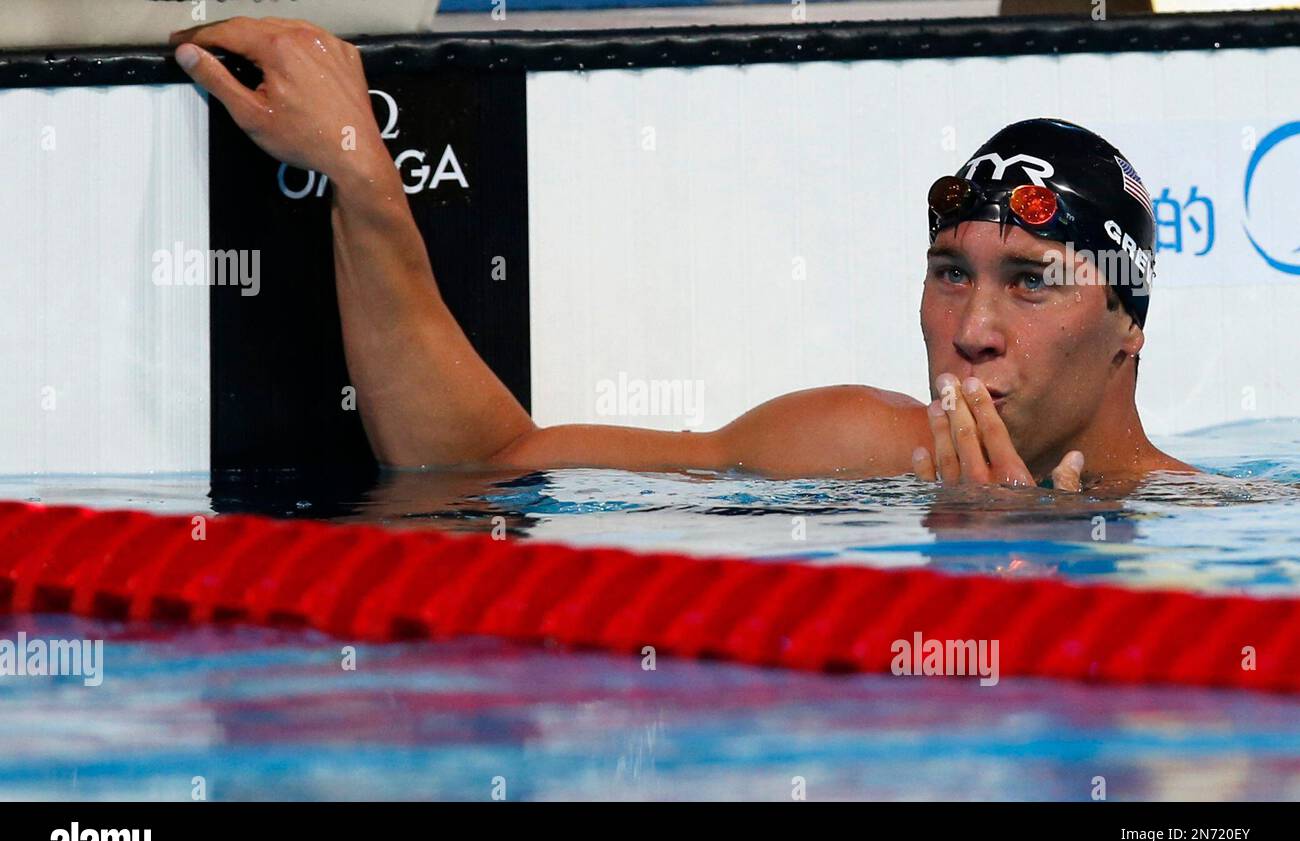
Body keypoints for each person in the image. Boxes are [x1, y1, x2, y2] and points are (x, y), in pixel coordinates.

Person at [171, 17, 1196, 493]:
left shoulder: (1217, 540)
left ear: (1128, 325)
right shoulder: (848, 448)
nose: (971, 331)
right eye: (948, 273)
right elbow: (478, 463)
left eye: (1030, 282)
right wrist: (362, 180)